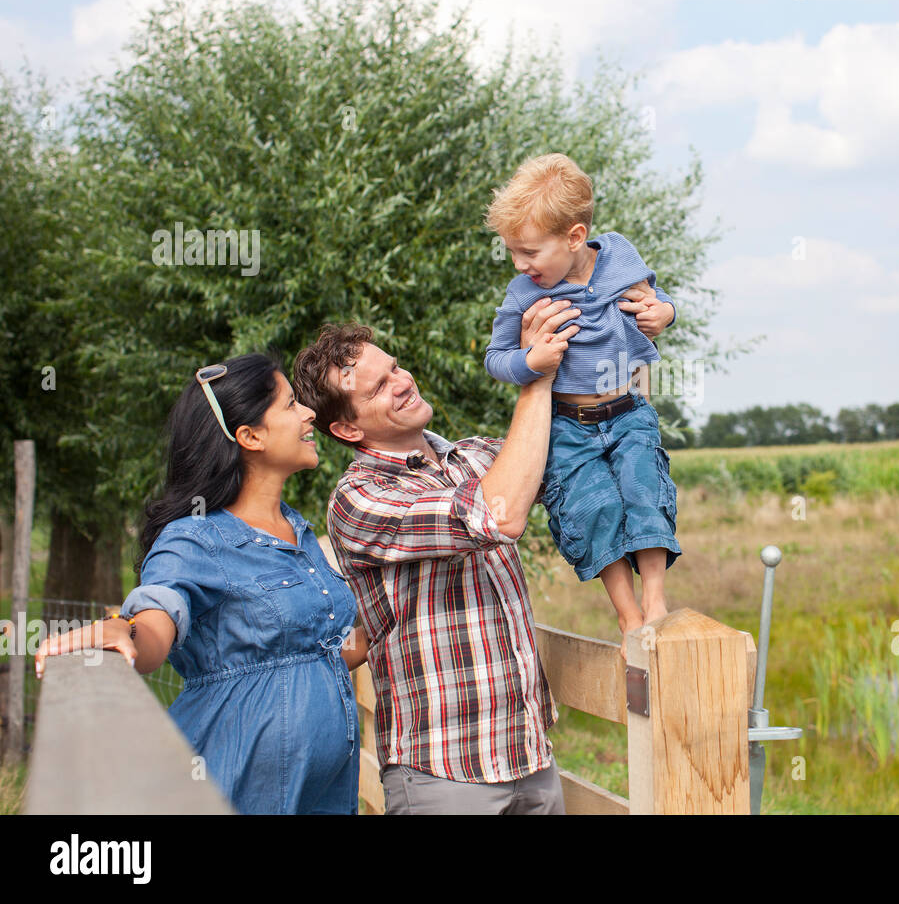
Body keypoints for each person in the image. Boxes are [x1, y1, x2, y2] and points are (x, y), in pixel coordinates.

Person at [292, 283, 652, 813]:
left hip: (529, 756)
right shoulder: (359, 499)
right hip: (443, 771)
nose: (401, 383)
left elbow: (581, 455)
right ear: (346, 428)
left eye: (394, 367)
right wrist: (535, 375)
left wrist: (627, 322)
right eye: (377, 388)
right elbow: (495, 515)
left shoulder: (477, 457)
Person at [35, 353, 367, 815]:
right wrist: (124, 630)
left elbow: (325, 649)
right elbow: (158, 616)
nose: (309, 412)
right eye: (291, 405)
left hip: (326, 794)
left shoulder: (301, 532)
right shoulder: (196, 538)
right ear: (250, 436)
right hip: (232, 785)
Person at [483, 152, 680, 655]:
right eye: (512, 253)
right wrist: (533, 360)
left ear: (574, 237)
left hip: (628, 410)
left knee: (643, 491)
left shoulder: (617, 257)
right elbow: (496, 358)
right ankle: (628, 614)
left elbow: (655, 301)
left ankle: (656, 601)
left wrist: (666, 313)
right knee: (594, 508)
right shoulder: (523, 293)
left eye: (529, 252)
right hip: (567, 424)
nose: (521, 265)